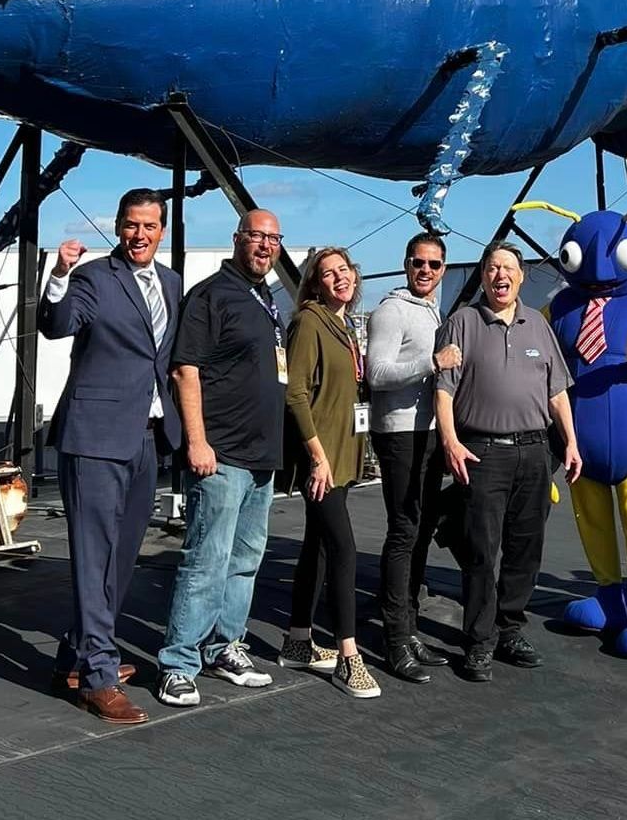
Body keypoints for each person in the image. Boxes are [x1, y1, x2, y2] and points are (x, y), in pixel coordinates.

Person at [38, 188, 182, 725]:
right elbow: (58, 324)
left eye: (149, 226)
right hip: (94, 436)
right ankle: (99, 673)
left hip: (146, 436)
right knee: (93, 558)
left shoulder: (170, 283)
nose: (139, 235)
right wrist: (57, 275)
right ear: (118, 226)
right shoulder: (96, 277)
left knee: (121, 561)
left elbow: (165, 358)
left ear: (161, 230)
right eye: (131, 225)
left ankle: (74, 660)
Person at [155, 210, 287, 708]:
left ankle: (223, 645)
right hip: (221, 452)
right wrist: (197, 442)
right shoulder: (210, 295)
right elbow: (185, 371)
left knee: (246, 560)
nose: (265, 245)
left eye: (273, 238)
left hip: (260, 458)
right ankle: (178, 662)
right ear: (237, 239)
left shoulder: (266, 300)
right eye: (257, 236)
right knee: (205, 560)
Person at [434, 241, 583, 681]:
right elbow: (443, 389)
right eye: (492, 267)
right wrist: (450, 441)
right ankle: (478, 641)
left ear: (521, 277)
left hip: (536, 452)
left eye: (509, 268)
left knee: (525, 547)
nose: (500, 275)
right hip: (484, 451)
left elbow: (557, 391)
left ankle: (510, 628)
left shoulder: (537, 324)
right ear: (483, 276)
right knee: (481, 549)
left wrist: (571, 442)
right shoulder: (461, 322)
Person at [279, 246, 381, 698]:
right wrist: (317, 457)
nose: (339, 278)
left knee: (317, 547)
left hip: (341, 454)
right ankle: (349, 655)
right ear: (315, 283)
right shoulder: (309, 321)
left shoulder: (343, 325)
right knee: (344, 550)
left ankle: (298, 639)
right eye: (328, 273)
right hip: (321, 459)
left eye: (344, 270)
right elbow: (296, 393)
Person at [365, 231, 456, 683]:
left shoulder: (433, 310)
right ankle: (395, 637)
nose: (425, 271)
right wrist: (432, 363)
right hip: (400, 434)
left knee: (420, 531)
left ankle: (411, 626)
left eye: (434, 265)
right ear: (406, 264)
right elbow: (377, 374)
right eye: (418, 262)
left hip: (431, 433)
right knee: (403, 531)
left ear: (443, 270)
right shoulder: (390, 311)